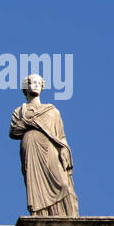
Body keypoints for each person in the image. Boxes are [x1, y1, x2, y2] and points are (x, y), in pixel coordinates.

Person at [9, 73, 77, 216]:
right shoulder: (20, 111)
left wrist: (64, 149)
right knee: (35, 185)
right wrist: (28, 122)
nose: (35, 85)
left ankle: (63, 216)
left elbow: (61, 136)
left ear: (42, 87)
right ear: (25, 87)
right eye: (32, 83)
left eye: (38, 83)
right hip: (31, 147)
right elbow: (14, 131)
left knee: (63, 183)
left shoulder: (52, 111)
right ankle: (41, 215)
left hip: (51, 148)